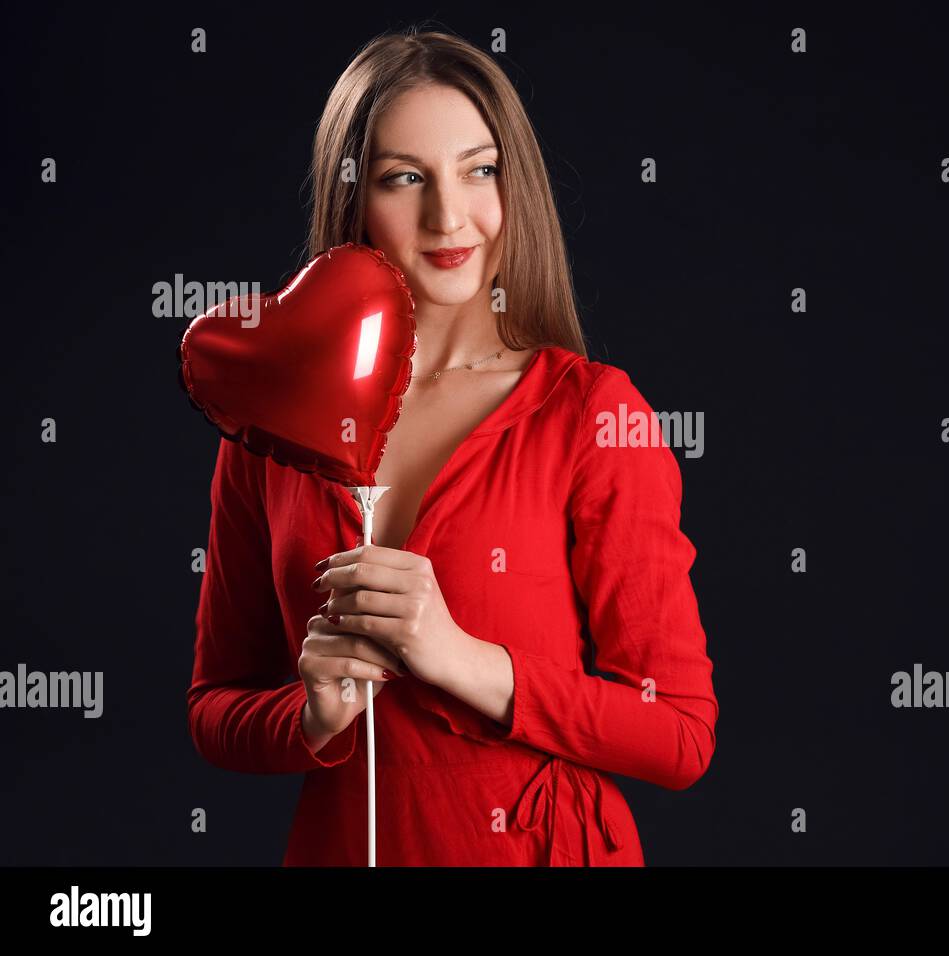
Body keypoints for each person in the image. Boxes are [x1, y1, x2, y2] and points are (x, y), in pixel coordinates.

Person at [186, 28, 718, 866]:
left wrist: (462, 659)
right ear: (354, 198)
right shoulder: (272, 425)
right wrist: (311, 717)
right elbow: (214, 707)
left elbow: (680, 735)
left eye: (479, 170)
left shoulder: (591, 414)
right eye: (405, 177)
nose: (448, 216)